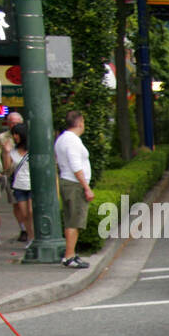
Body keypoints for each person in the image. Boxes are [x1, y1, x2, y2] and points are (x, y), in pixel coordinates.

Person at [53, 110, 93, 268]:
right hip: (74, 184)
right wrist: (86, 187)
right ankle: (69, 255)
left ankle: (71, 254)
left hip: (67, 181)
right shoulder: (72, 141)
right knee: (75, 221)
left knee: (71, 220)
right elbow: (76, 165)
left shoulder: (62, 139)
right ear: (79, 123)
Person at [0, 111, 24, 243]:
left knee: (28, 204)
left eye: (17, 123)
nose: (14, 125)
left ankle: (30, 228)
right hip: (11, 174)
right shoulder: (2, 138)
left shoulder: (28, 135)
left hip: (25, 173)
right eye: (12, 123)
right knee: (16, 204)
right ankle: (23, 229)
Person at [8, 124, 34, 245]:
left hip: (32, 185)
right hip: (19, 185)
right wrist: (5, 152)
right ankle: (30, 236)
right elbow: (7, 169)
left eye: (16, 133)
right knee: (24, 214)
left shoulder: (33, 149)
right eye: (13, 134)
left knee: (31, 211)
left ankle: (35, 236)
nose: (14, 136)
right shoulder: (12, 151)